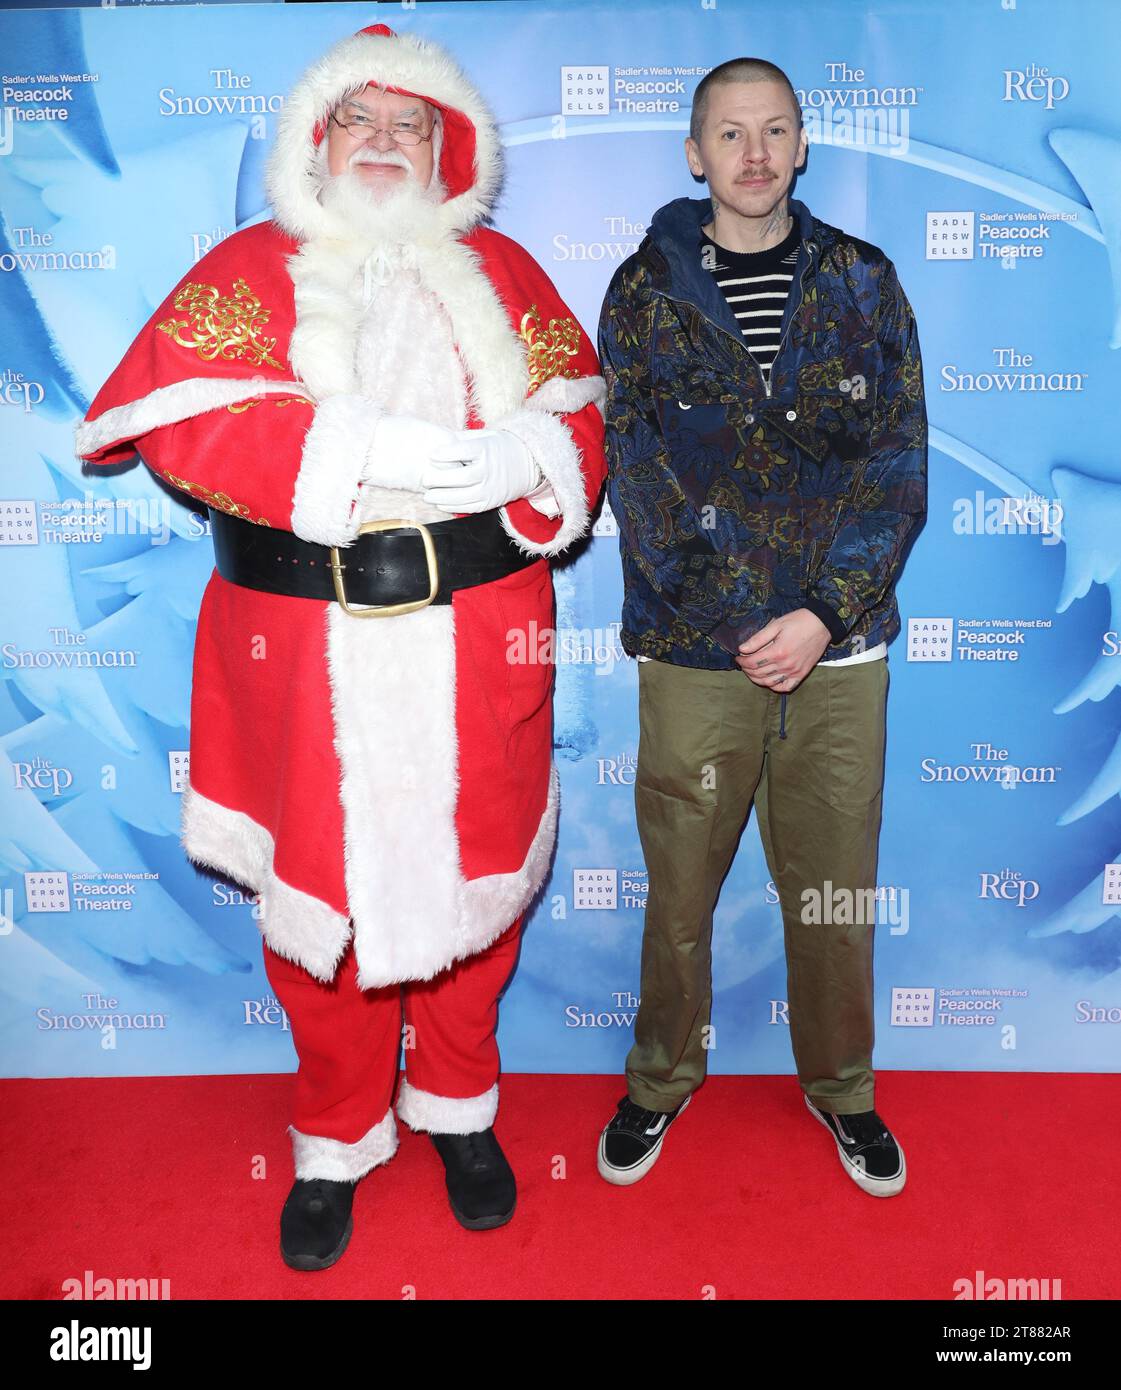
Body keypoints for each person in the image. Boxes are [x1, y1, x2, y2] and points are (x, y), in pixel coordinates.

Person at [76, 23, 606, 1269]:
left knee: (478, 893)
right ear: (316, 140)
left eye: (408, 124)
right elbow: (178, 423)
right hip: (298, 655)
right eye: (357, 119)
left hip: (481, 641)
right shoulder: (253, 267)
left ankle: (460, 1113)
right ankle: (332, 1136)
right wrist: (359, 452)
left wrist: (516, 463)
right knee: (320, 911)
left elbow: (579, 422)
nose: (382, 141)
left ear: (446, 148)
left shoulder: (508, 273)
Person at [595, 57, 926, 1196]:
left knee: (833, 893)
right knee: (679, 888)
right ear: (694, 154)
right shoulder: (642, 293)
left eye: (772, 130)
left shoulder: (862, 282)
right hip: (699, 653)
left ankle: (843, 1091)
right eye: (726, 134)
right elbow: (633, 479)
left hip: (842, 653)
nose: (750, 154)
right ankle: (656, 1079)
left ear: (800, 145)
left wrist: (819, 615)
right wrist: (747, 620)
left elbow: (895, 469)